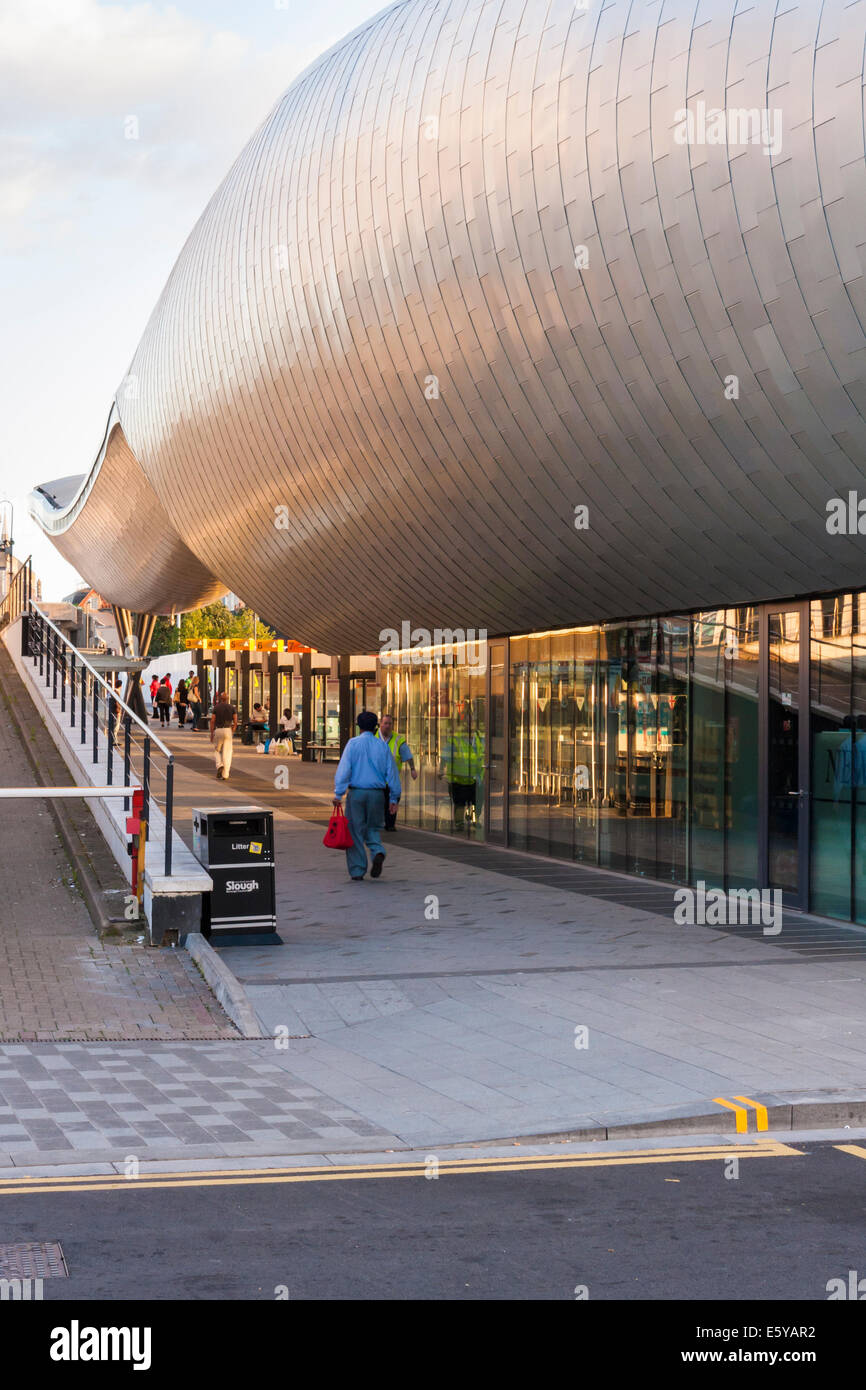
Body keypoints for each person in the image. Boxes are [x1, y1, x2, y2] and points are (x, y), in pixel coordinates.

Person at [333, 711, 400, 880]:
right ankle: (377, 851)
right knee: (373, 827)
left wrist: (338, 793)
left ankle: (357, 870)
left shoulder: (353, 744)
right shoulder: (382, 746)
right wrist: (394, 798)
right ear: (376, 727)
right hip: (377, 794)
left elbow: (344, 770)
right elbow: (392, 773)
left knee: (355, 831)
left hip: (357, 793)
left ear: (359, 727)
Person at [437, 714, 483, 831]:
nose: (470, 725)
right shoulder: (456, 739)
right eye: (468, 722)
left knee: (477, 802)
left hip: (474, 777)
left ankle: (474, 820)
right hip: (458, 778)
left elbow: (482, 755)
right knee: (460, 803)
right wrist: (441, 769)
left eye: (472, 722)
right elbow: (445, 755)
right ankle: (459, 824)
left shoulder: (479, 738)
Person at [376, 711, 418, 830]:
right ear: (380, 724)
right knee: (379, 804)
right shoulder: (373, 737)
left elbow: (408, 755)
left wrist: (413, 769)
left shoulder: (398, 739)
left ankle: (390, 825)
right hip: (377, 780)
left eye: (390, 723)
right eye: (385, 723)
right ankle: (379, 823)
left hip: (392, 779)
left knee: (392, 803)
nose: (388, 726)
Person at [209, 690, 237, 780]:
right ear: (228, 699)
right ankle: (225, 775)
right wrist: (232, 730)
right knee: (227, 753)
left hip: (218, 730)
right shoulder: (232, 707)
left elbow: (212, 721)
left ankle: (219, 765)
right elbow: (235, 721)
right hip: (228, 729)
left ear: (220, 699)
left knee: (217, 751)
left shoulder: (216, 707)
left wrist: (212, 733)